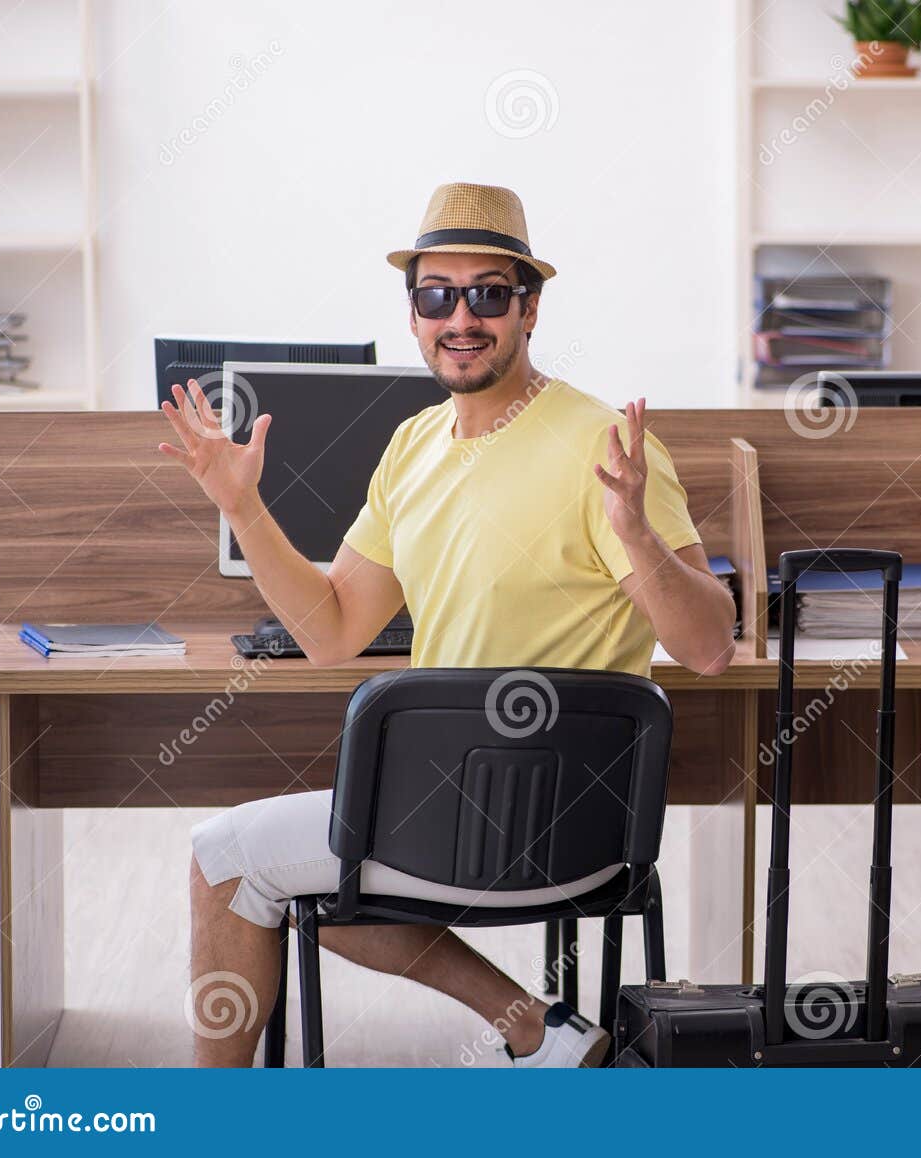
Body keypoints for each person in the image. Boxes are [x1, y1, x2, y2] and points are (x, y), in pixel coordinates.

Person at [161, 182, 736, 1067]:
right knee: (300, 866)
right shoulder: (412, 447)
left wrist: (636, 533)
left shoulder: (607, 448)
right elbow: (333, 630)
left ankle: (214, 1126)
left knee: (225, 863)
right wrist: (242, 507)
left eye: (489, 295)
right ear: (414, 314)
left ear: (531, 309)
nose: (461, 318)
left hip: (565, 825)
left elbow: (709, 647)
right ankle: (537, 1030)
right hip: (456, 820)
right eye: (437, 296)